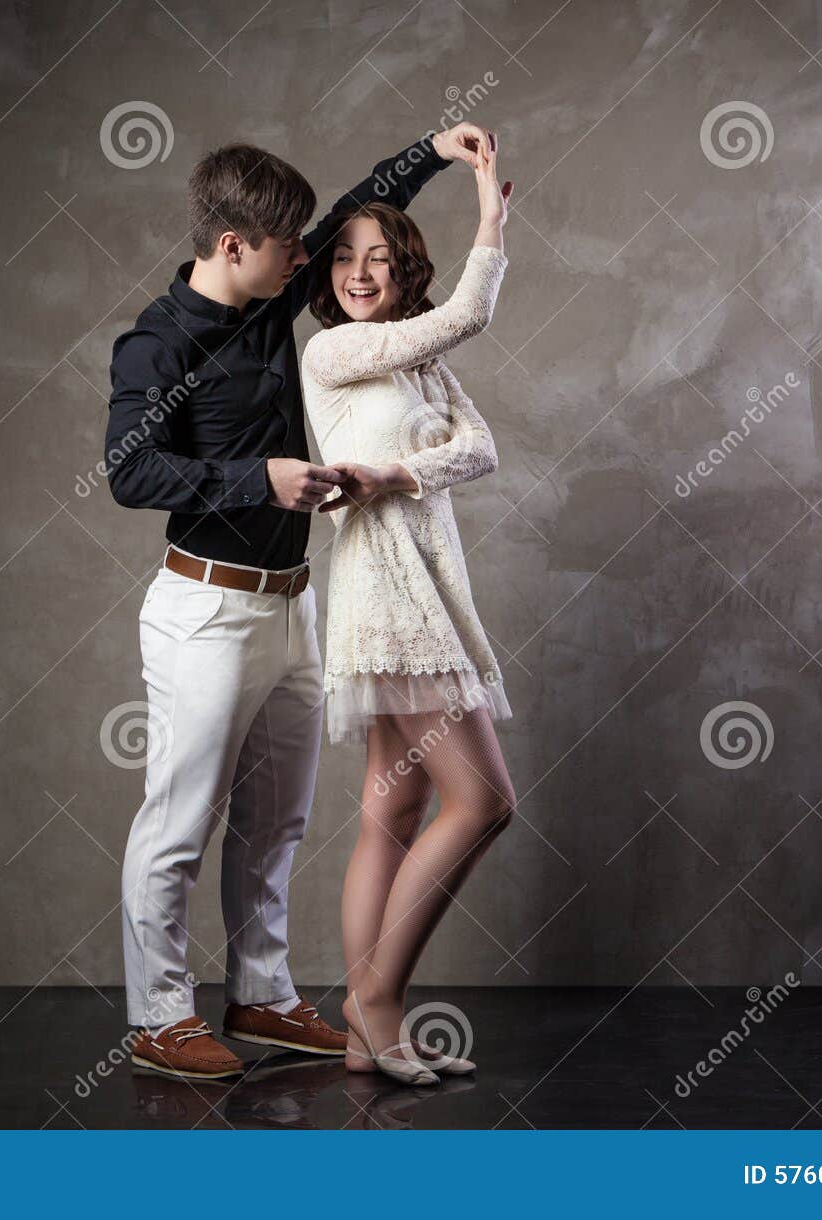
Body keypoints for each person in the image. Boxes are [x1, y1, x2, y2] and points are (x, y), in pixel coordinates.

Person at [104, 122, 496, 1081]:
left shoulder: (269, 296)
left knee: (277, 821)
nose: (311, 261)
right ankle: (159, 1015)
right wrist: (257, 480)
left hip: (295, 602)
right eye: (292, 249)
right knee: (181, 816)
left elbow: (356, 204)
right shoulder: (157, 344)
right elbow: (128, 471)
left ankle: (265, 995)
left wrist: (435, 150)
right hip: (205, 608)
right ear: (234, 246)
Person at [300, 136, 517, 1086]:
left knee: (396, 808)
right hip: (384, 589)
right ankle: (375, 996)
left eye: (378, 259)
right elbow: (471, 310)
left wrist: (397, 470)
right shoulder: (337, 350)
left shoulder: (422, 369)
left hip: (425, 579)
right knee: (485, 801)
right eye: (343, 257)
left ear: (404, 271)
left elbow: (482, 452)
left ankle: (362, 1038)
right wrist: (490, 217)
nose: (357, 273)